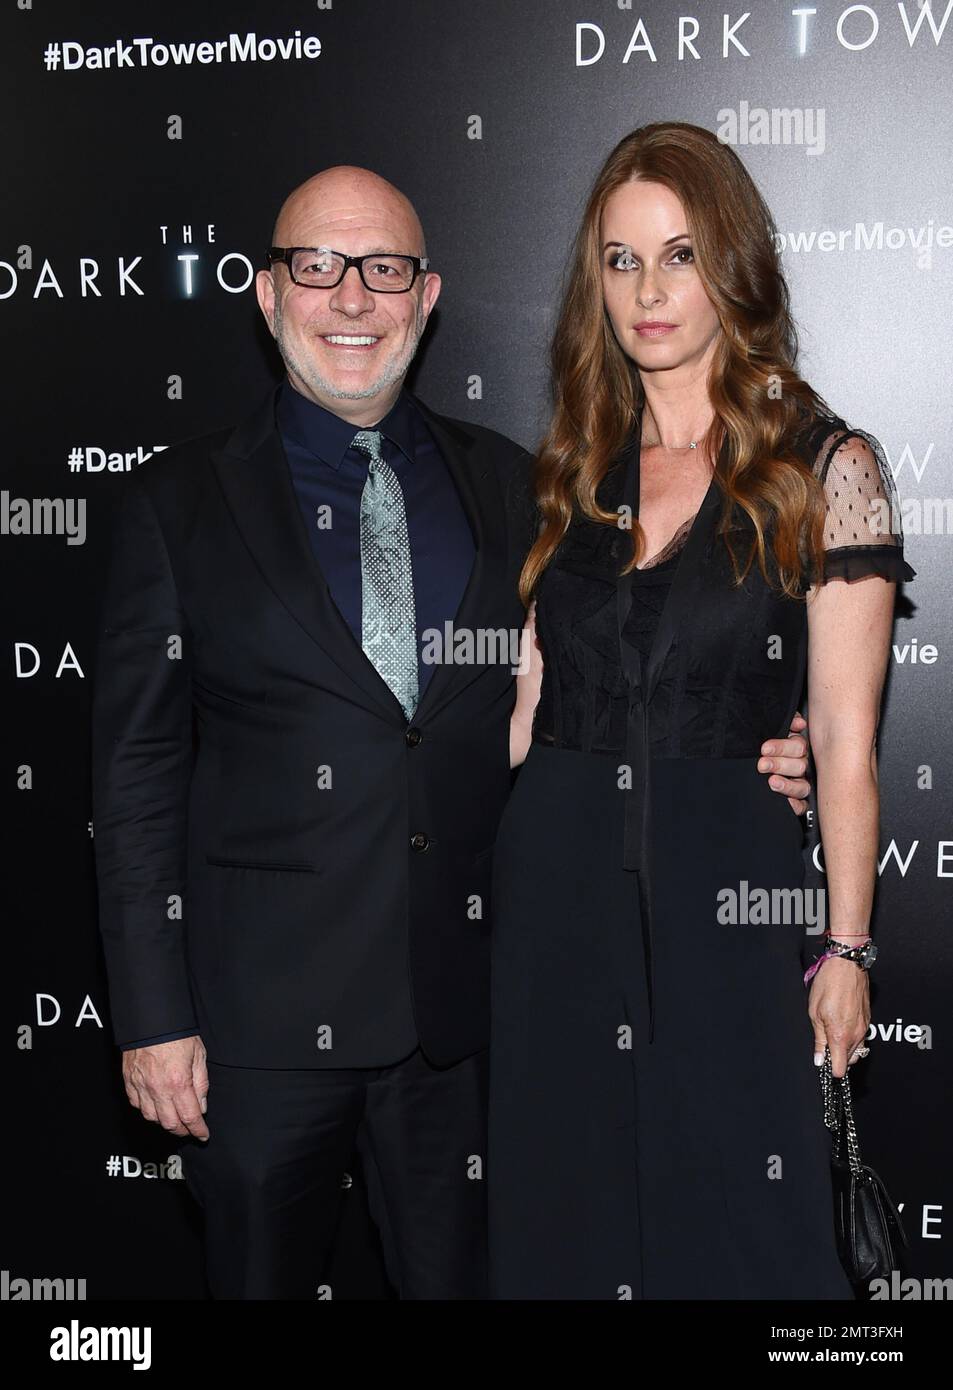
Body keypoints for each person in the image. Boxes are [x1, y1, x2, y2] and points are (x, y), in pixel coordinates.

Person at [91, 164, 815, 1300]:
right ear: (266, 292)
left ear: (425, 300)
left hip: (472, 1027)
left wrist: (773, 737)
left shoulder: (525, 488)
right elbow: (133, 781)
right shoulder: (173, 504)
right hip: (254, 1036)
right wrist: (151, 1018)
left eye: (381, 271)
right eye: (315, 267)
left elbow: (608, 679)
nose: (349, 300)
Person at [488, 123, 915, 1301]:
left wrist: (843, 946)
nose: (647, 291)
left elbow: (838, 740)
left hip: (723, 903)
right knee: (561, 1217)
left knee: (741, 1226)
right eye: (619, 263)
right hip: (551, 901)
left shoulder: (821, 467)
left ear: (731, 265)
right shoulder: (576, 464)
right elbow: (529, 703)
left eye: (677, 255)